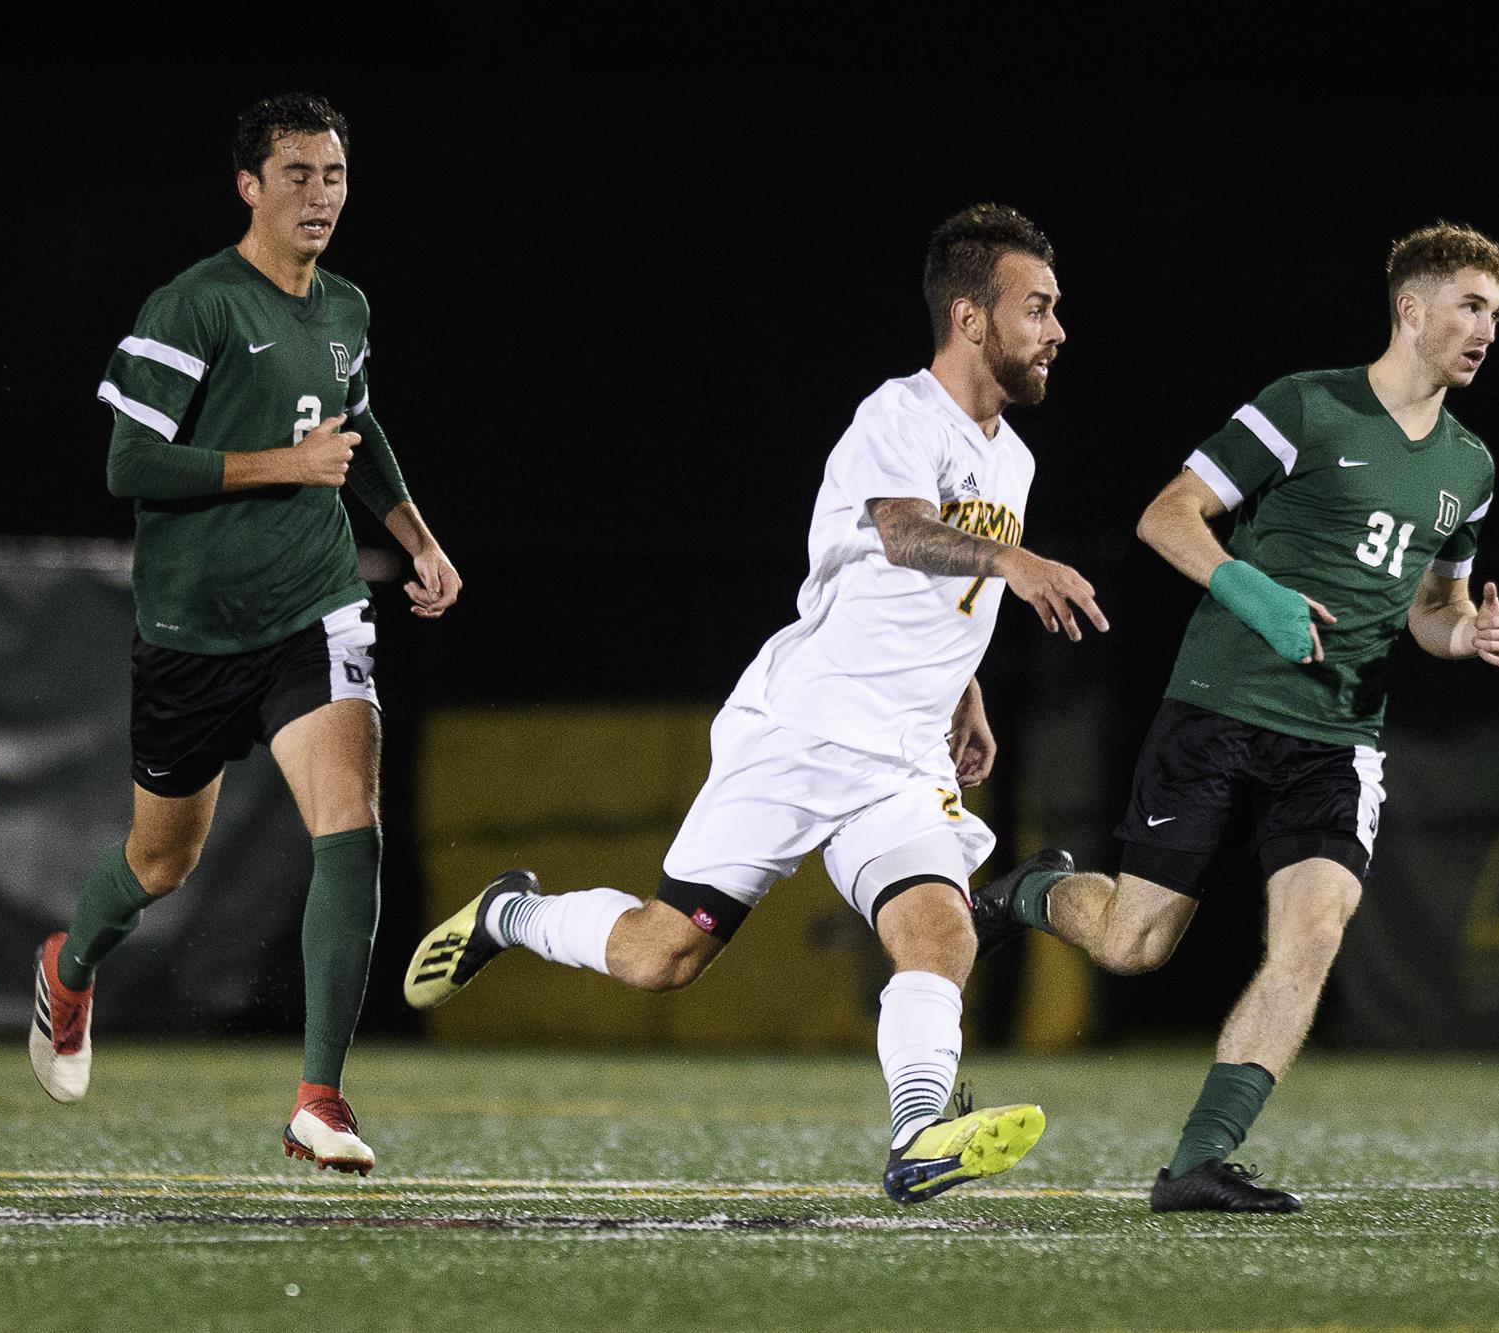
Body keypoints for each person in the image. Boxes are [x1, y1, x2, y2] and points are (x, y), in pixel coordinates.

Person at [404, 203, 1105, 1203]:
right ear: (967, 317)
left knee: (937, 933)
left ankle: (918, 1137)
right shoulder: (898, 415)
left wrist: (966, 693)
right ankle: (512, 914)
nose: (1055, 330)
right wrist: (1012, 558)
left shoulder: (1013, 459)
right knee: (663, 956)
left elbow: (933, 592)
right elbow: (905, 535)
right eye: (1035, 307)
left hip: (901, 754)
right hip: (806, 729)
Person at [974, 221, 1499, 1213]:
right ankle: (1031, 893)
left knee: (1311, 934)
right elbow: (1167, 514)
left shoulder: (1469, 465)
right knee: (1136, 944)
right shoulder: (1306, 405)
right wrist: (1254, 593)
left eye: (1495, 312)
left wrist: (1468, 637)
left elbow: (1433, 609)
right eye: (1470, 306)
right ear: (1410, 308)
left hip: (1340, 736)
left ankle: (1196, 1161)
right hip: (1218, 706)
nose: (1486, 327)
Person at [28, 93, 463, 1177]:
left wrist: (417, 539)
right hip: (190, 631)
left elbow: (354, 438)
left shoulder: (345, 307)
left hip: (312, 607)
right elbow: (129, 466)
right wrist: (282, 465)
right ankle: (69, 966)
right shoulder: (194, 306)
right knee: (160, 863)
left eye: (333, 175)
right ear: (248, 186)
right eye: (297, 175)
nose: (319, 196)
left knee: (348, 820)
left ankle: (318, 1095)